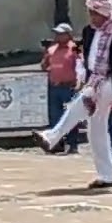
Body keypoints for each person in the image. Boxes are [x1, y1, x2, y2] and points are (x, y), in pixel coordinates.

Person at [32, 0, 112, 189]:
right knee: (96, 130)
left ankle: (52, 137)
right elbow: (89, 58)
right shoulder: (90, 31)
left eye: (96, 13)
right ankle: (107, 176)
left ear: (105, 12)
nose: (92, 17)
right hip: (95, 79)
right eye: (90, 13)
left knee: (85, 100)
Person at [40, 23, 83, 154]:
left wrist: (79, 83)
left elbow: (81, 66)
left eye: (61, 34)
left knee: (70, 116)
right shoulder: (52, 49)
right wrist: (45, 60)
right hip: (54, 87)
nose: (57, 36)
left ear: (68, 35)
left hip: (69, 87)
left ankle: (72, 144)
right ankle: (56, 144)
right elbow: (44, 65)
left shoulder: (75, 49)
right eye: (57, 34)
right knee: (55, 116)